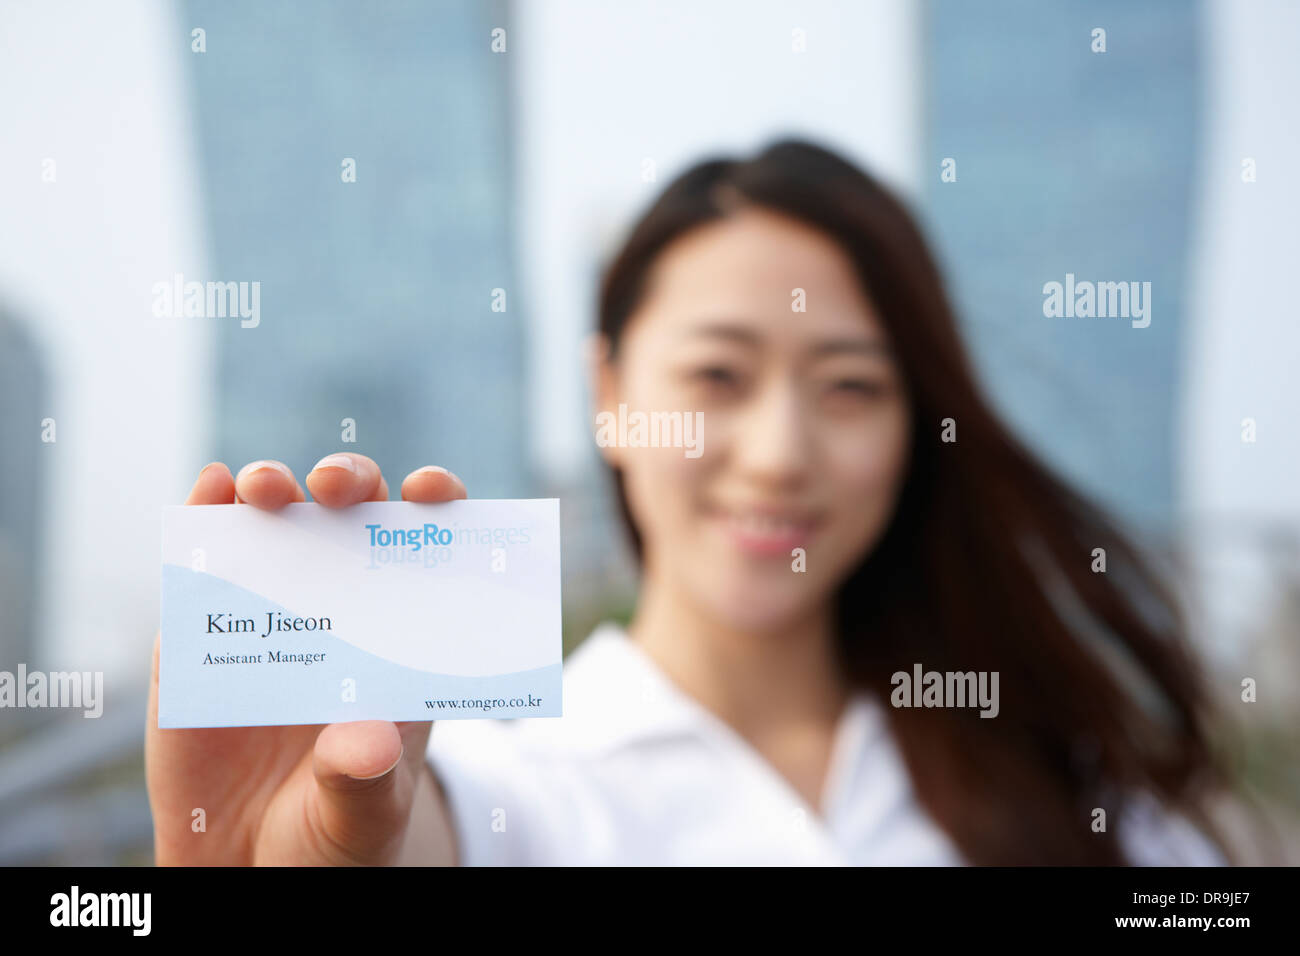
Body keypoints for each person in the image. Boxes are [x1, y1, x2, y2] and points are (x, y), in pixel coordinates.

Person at [146, 138, 1235, 866]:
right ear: (609, 395)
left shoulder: (1072, 787)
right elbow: (411, 829)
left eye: (851, 386)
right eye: (717, 375)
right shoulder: (507, 782)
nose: (777, 453)